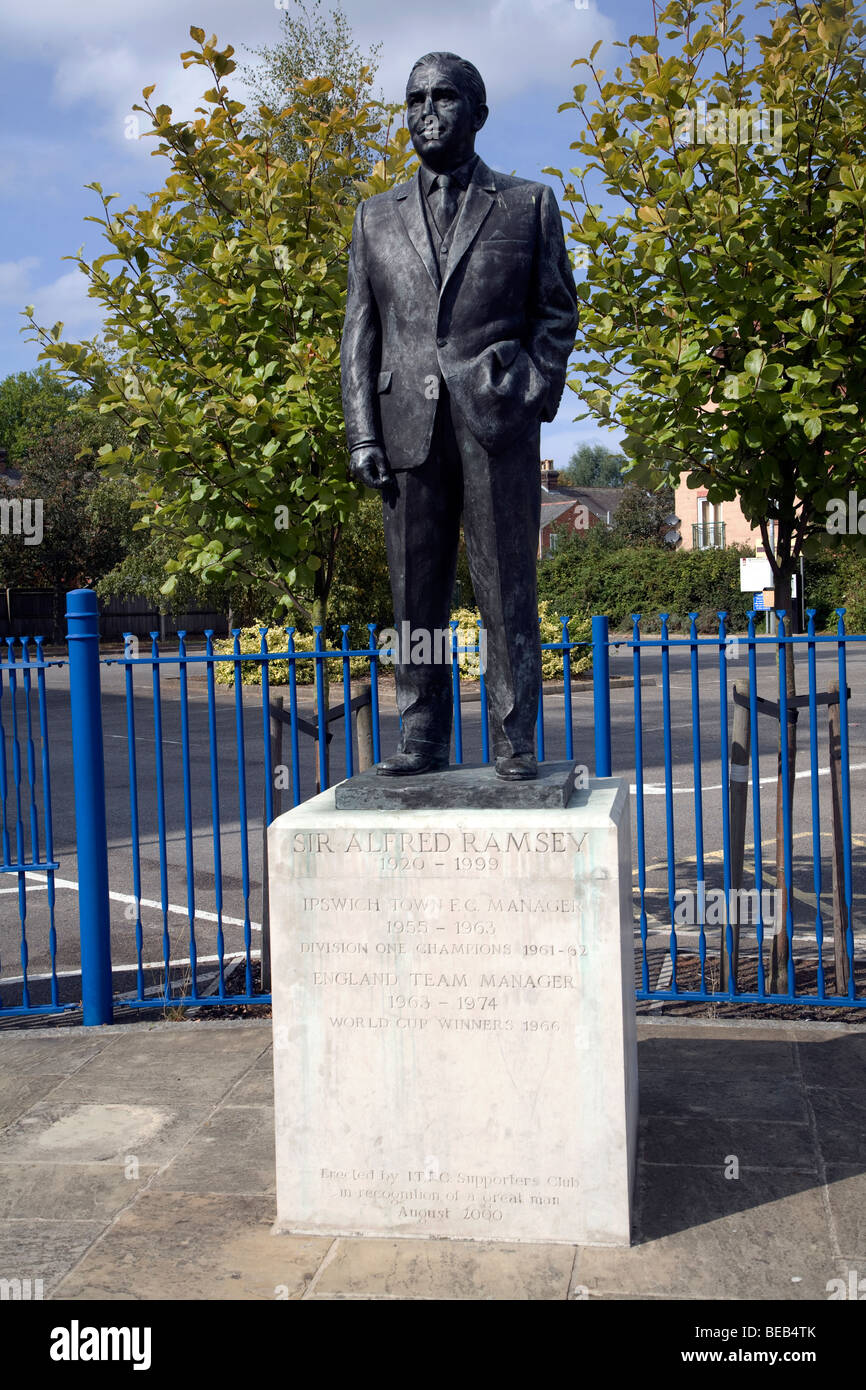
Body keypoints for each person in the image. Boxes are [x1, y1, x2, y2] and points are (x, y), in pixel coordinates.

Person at [341, 51, 577, 779]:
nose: (426, 112)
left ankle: (514, 737)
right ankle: (422, 735)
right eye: (415, 99)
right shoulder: (375, 216)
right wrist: (362, 432)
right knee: (416, 595)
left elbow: (557, 313)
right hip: (405, 426)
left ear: (477, 112)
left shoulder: (527, 203)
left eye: (444, 98)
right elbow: (360, 332)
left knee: (507, 583)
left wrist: (530, 388)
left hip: (496, 418)